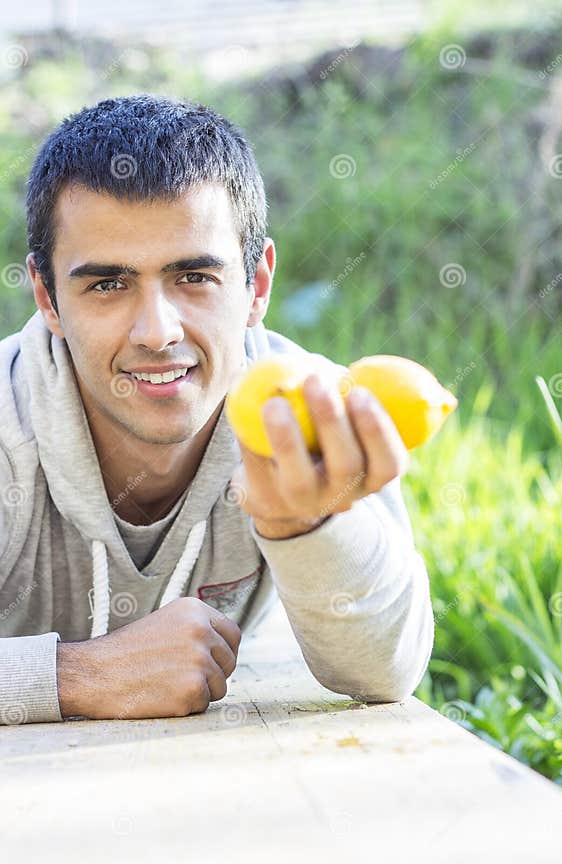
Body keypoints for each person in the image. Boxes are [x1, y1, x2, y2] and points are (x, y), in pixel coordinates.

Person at [0, 94, 434, 725]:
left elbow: (384, 673)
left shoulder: (314, 414)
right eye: (108, 284)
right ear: (46, 296)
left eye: (194, 277)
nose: (157, 331)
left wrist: (307, 526)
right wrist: (79, 677)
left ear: (256, 285)